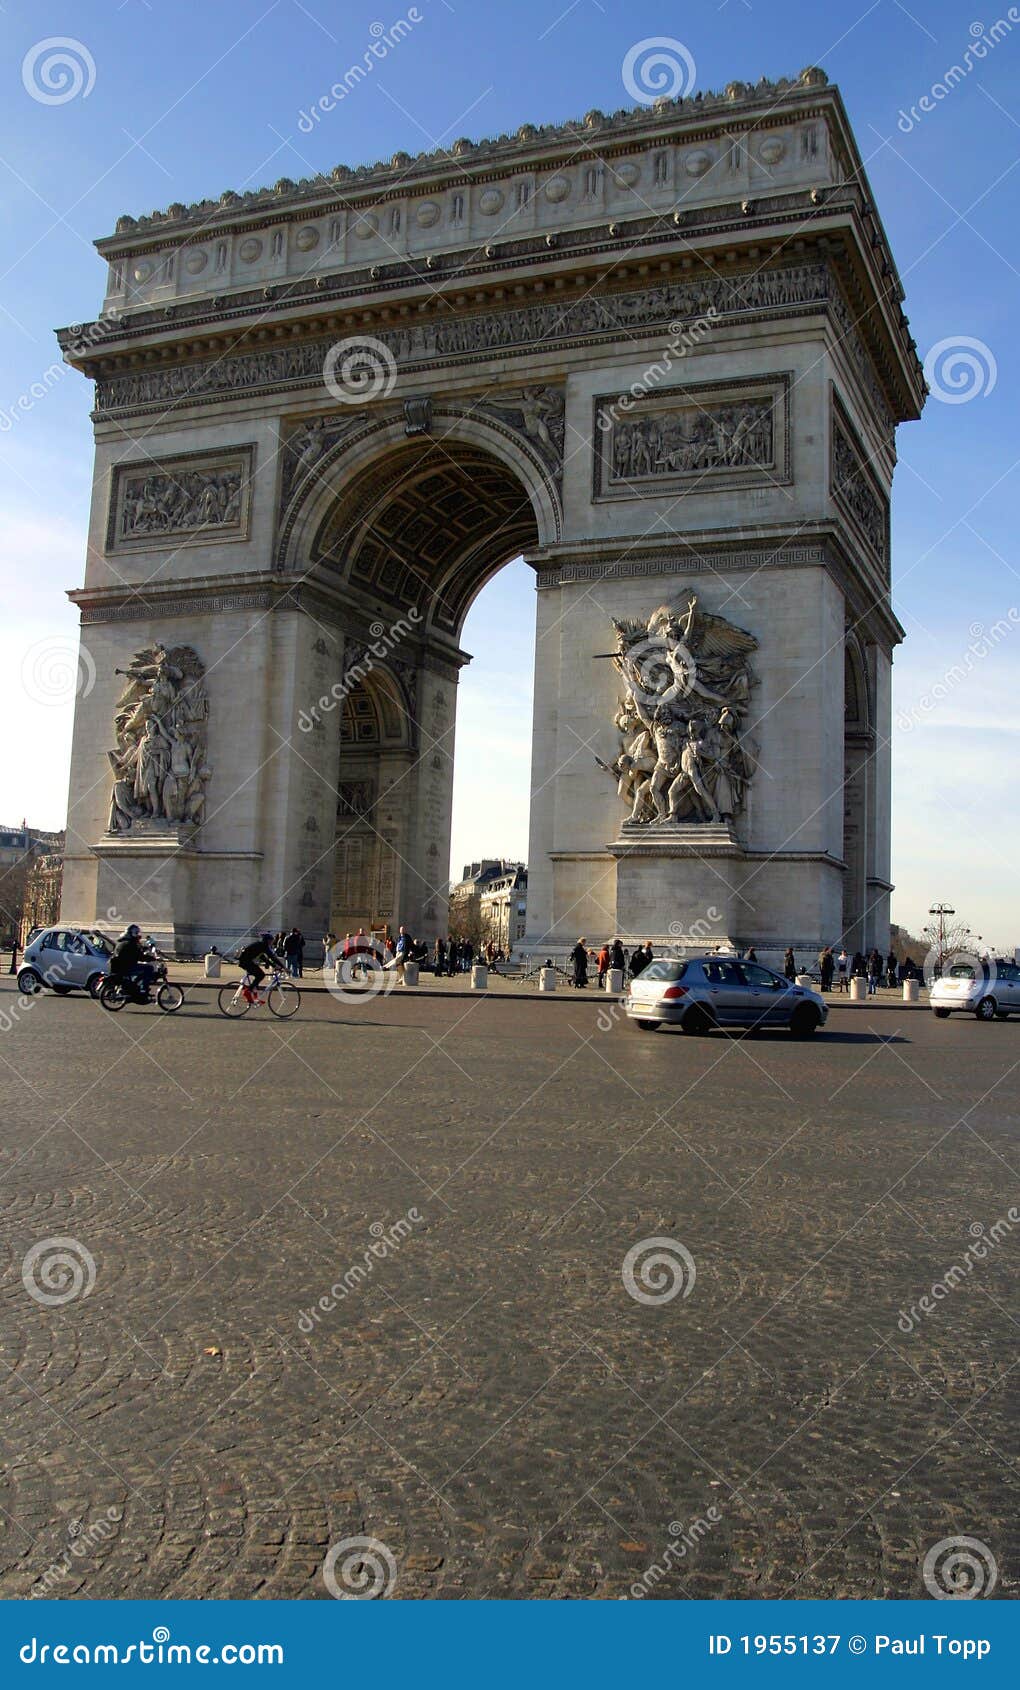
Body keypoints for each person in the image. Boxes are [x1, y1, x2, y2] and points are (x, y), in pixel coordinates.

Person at [109, 924, 155, 1001]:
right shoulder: (130, 943)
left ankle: (134, 984)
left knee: (141, 969)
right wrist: (151, 958)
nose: (137, 935)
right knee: (149, 968)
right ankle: (143, 989)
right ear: (132, 933)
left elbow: (134, 953)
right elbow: (139, 956)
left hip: (119, 966)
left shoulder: (122, 942)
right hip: (127, 966)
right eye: (136, 933)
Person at [236, 933, 285, 997]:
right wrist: (284, 967)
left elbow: (264, 958)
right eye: (271, 941)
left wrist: (274, 966)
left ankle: (255, 997)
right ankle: (248, 991)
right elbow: (272, 957)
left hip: (245, 962)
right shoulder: (264, 946)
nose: (272, 942)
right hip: (246, 962)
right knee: (261, 975)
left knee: (257, 977)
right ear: (268, 940)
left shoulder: (260, 945)